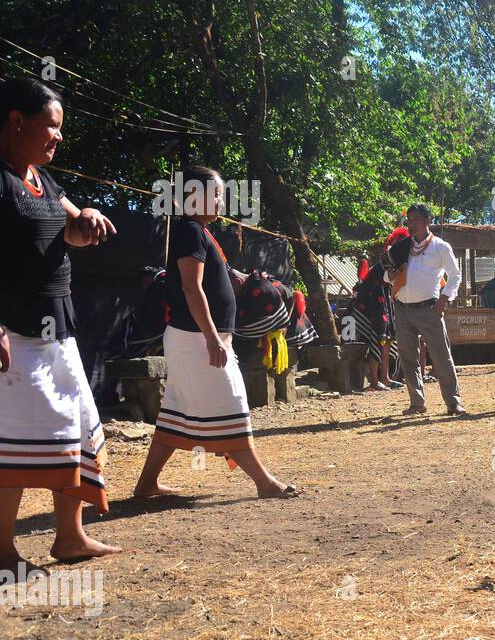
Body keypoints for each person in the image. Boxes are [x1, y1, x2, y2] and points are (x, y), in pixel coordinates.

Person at [0, 77, 121, 572]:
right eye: (51, 126)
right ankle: (3, 552)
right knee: (14, 439)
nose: (58, 137)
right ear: (15, 121)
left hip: (58, 328)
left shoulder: (41, 179)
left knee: (72, 427)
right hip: (16, 331)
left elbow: (71, 227)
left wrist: (86, 215)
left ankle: (70, 537)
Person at [133, 165, 299, 500]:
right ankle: (264, 482)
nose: (223, 201)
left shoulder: (198, 231)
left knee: (175, 413)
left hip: (195, 338)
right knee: (233, 404)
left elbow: (206, 281)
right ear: (195, 195)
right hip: (197, 339)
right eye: (219, 194)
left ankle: (146, 484)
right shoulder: (190, 232)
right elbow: (192, 289)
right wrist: (211, 337)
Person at [383, 204, 467, 416]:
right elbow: (386, 274)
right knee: (408, 357)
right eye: (409, 221)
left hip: (430, 308)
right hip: (402, 308)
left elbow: (455, 275)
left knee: (441, 356)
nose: (411, 225)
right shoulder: (401, 247)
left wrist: (444, 299)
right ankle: (417, 403)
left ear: (428, 221)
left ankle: (453, 403)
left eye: (416, 220)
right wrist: (388, 276)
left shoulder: (440, 247)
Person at [346, 248, 400, 390]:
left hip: (382, 311)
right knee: (377, 340)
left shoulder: (385, 271)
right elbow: (372, 299)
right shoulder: (378, 272)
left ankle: (385, 378)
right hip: (369, 312)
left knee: (386, 340)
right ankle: (375, 381)